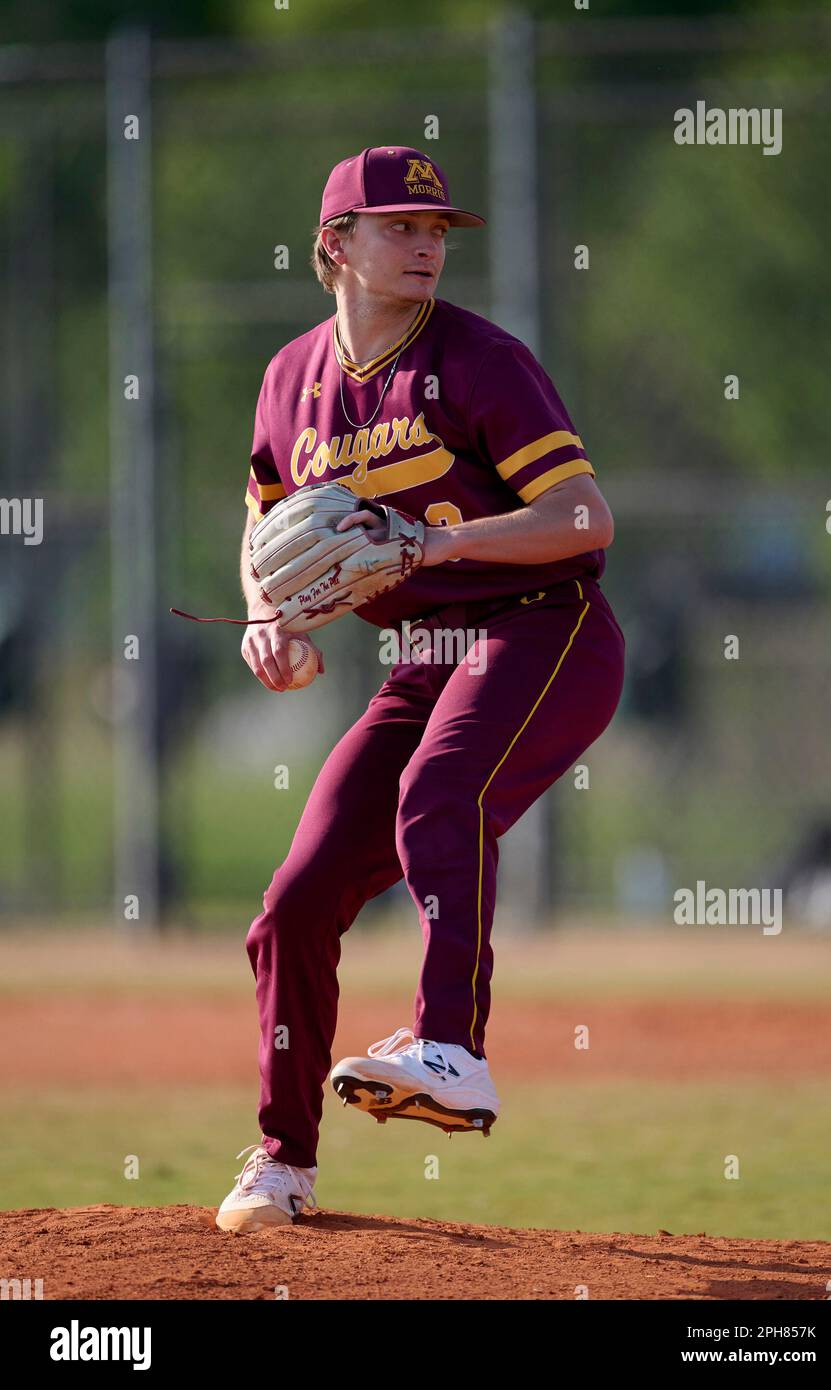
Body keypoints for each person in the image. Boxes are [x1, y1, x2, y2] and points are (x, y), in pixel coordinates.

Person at [216, 146, 625, 1232]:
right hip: (425, 657)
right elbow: (264, 515)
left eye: (437, 228)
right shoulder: (290, 379)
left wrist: (428, 542)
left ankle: (450, 1046)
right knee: (293, 905)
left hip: (547, 631)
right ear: (334, 246)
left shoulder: (478, 360)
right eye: (399, 226)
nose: (426, 243)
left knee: (438, 799)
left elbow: (584, 518)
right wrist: (268, 613)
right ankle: (281, 1161)